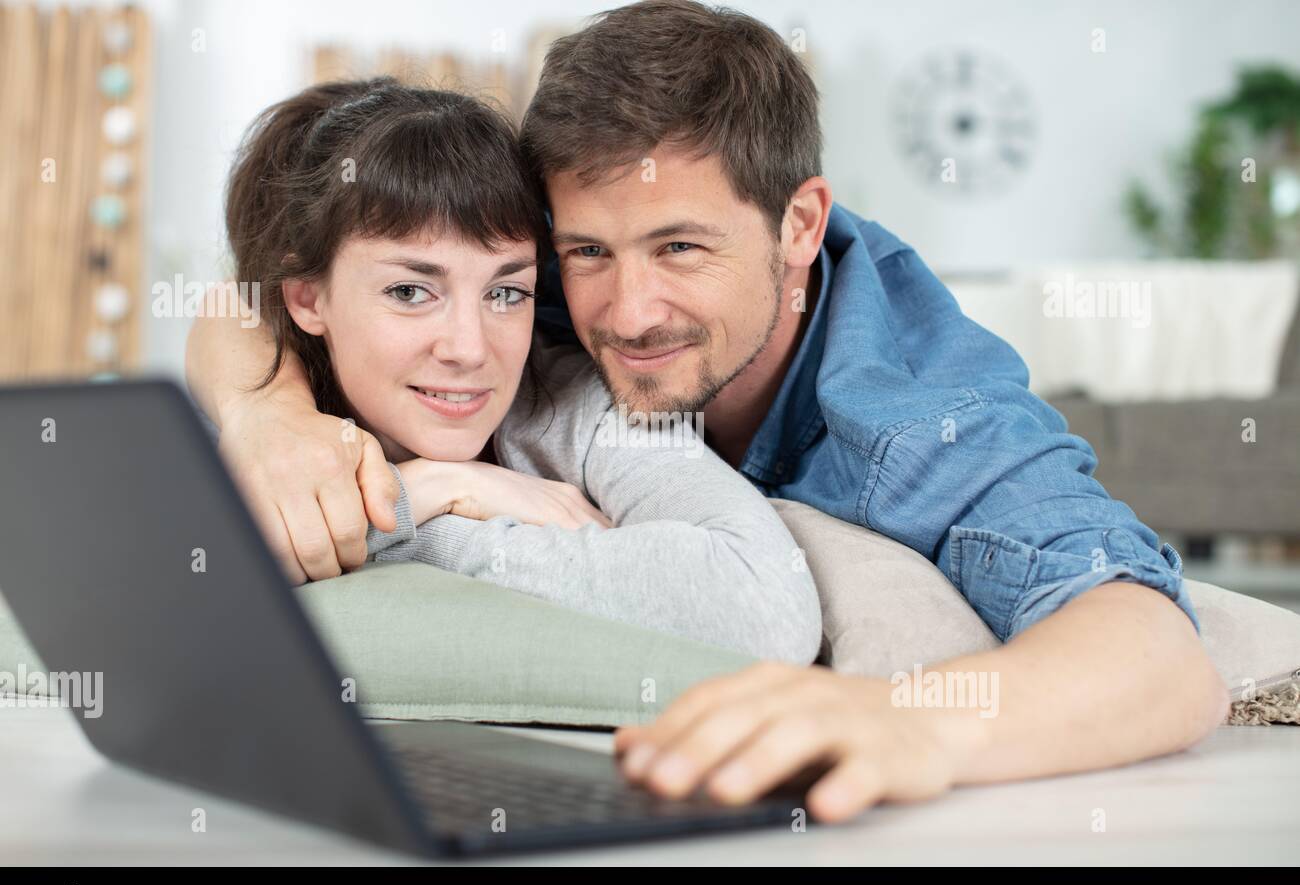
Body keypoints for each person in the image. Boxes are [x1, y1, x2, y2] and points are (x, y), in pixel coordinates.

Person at [188, 2, 1228, 822]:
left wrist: (911, 723)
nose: (628, 312)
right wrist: (268, 418)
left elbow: (1159, 653)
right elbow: (253, 294)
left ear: (799, 226)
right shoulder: (526, 286)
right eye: (586, 252)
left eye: (680, 248)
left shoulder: (920, 417)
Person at [210, 76, 821, 661]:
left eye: (505, 293)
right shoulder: (254, 431)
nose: (469, 349)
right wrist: (434, 490)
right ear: (307, 298)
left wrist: (407, 515)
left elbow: (764, 610)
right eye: (409, 291)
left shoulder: (575, 407)